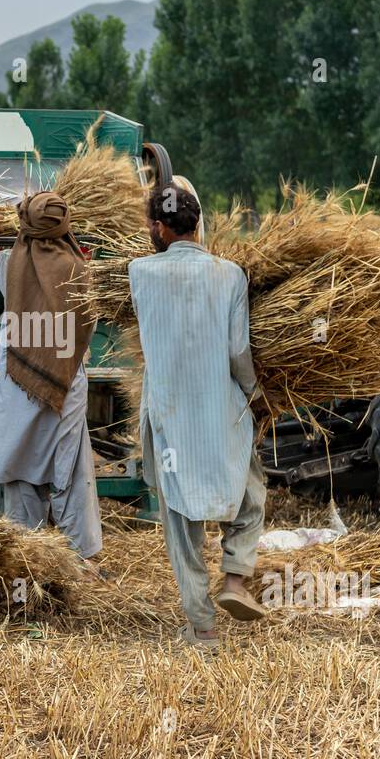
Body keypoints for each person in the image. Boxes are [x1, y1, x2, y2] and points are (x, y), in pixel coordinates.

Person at [128, 179, 268, 651]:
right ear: (197, 223)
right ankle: (235, 578)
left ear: (157, 227)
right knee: (249, 493)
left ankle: (203, 626)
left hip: (169, 413)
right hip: (221, 407)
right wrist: (254, 394)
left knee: (180, 519)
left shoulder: (138, 272)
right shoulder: (230, 275)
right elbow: (238, 351)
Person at [0, 192, 103, 566]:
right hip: (67, 382)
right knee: (69, 466)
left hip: (18, 380)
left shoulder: (8, 264)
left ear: (24, 226)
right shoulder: (80, 270)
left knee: (20, 461)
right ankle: (81, 560)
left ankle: (26, 557)